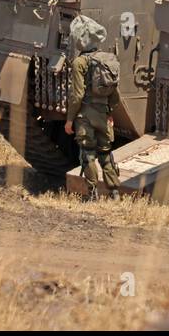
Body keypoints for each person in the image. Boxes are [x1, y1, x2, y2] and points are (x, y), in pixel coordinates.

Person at [63, 15, 122, 200]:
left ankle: (92, 194)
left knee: (88, 154)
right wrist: (109, 113)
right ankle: (114, 192)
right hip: (103, 115)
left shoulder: (80, 62)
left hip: (85, 116)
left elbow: (77, 95)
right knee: (105, 153)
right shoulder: (107, 60)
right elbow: (115, 94)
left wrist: (70, 120)